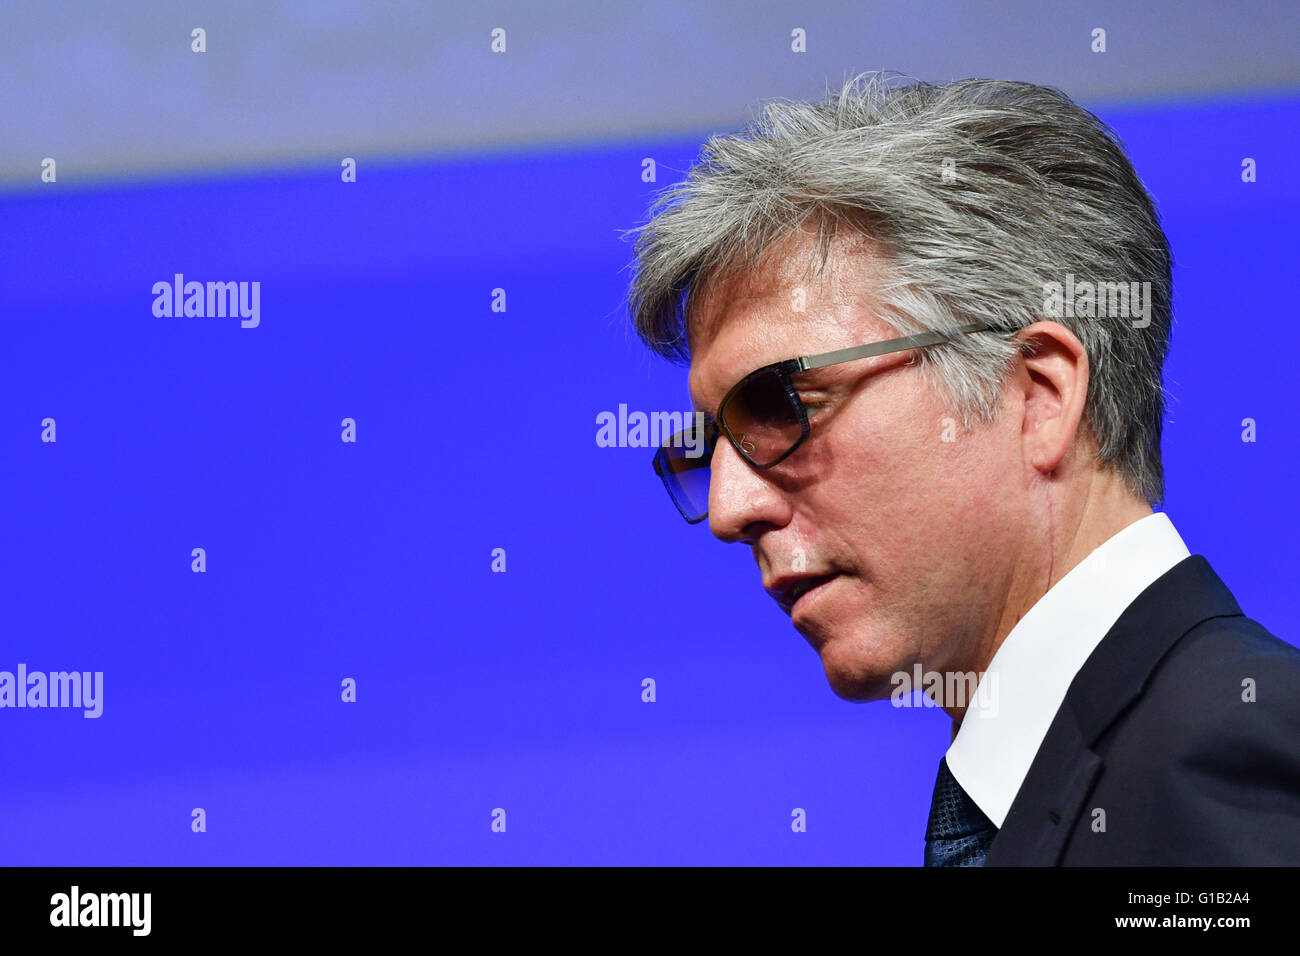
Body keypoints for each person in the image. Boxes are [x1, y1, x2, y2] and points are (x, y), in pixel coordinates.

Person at [624, 73, 1300, 865]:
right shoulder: (1088, 774)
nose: (732, 509)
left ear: (1038, 395)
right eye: (709, 447)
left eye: (781, 406)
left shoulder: (1235, 756)